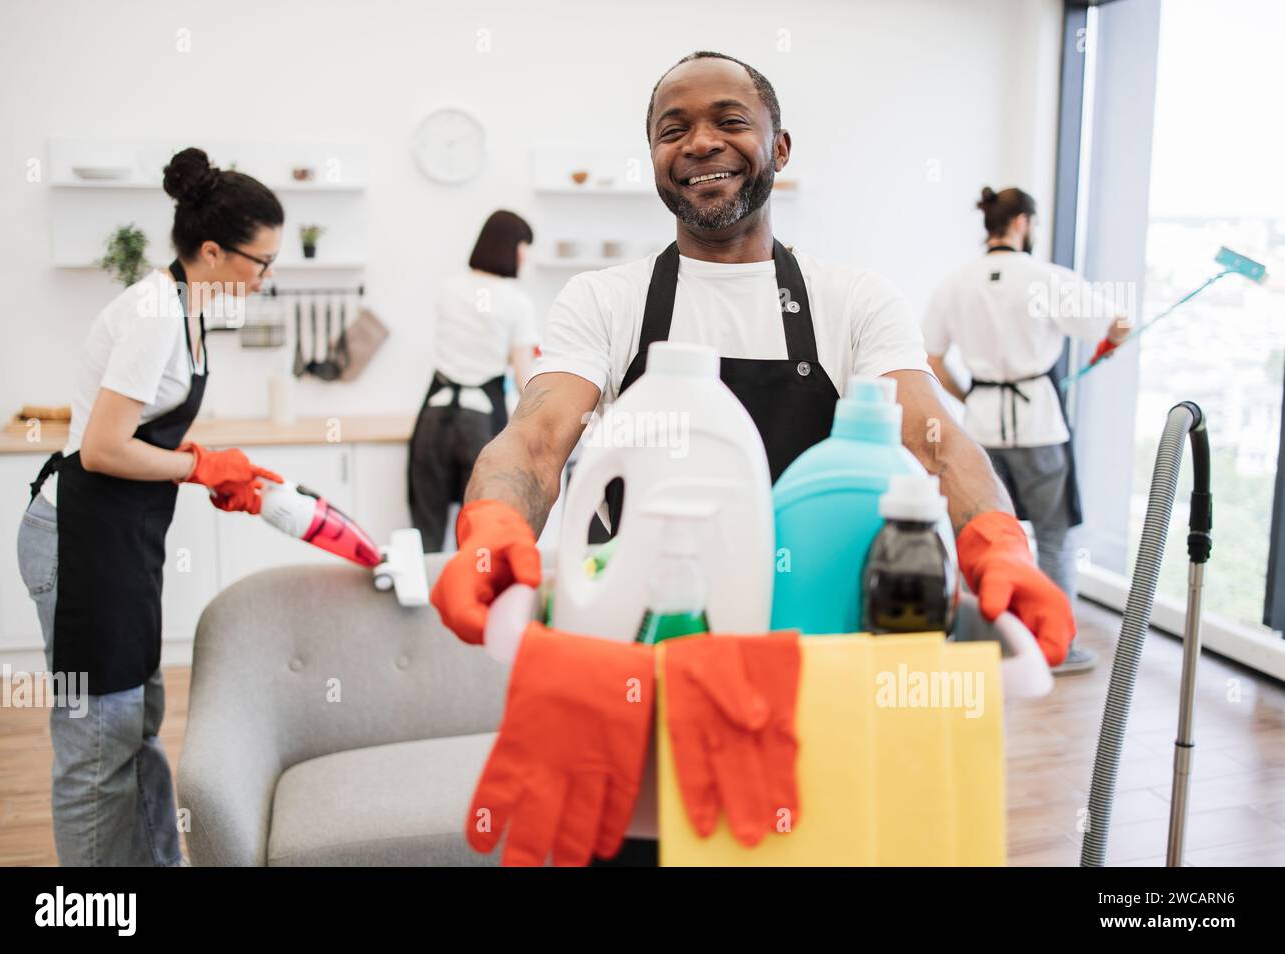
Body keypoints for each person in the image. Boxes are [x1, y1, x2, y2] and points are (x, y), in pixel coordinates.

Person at [430, 51, 1077, 866]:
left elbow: (935, 439)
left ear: (779, 147)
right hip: (643, 669)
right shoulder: (607, 300)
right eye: (674, 129)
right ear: (655, 160)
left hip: (814, 670)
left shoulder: (852, 301)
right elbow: (535, 436)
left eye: (730, 120)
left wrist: (996, 541)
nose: (700, 142)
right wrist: (489, 526)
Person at [16, 147, 285, 866]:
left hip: (124, 537)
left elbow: (144, 436)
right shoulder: (155, 313)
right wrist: (200, 467)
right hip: (80, 537)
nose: (265, 280)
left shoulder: (192, 314)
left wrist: (219, 469)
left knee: (137, 722)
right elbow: (103, 448)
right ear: (210, 251)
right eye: (260, 263)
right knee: (95, 743)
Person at [922, 186, 1130, 674]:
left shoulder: (955, 283)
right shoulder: (1046, 278)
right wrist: (1110, 344)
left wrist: (970, 395)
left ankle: (982, 642)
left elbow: (931, 358)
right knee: (1054, 537)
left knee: (981, 535)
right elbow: (1115, 322)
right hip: (1039, 425)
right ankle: (1058, 646)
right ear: (1022, 223)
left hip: (982, 429)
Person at [407, 210, 539, 551]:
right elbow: (525, 377)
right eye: (524, 246)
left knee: (426, 528)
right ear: (510, 248)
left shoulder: (449, 289)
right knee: (478, 529)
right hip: (479, 422)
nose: (525, 255)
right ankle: (469, 596)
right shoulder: (517, 302)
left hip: (434, 418)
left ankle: (423, 598)